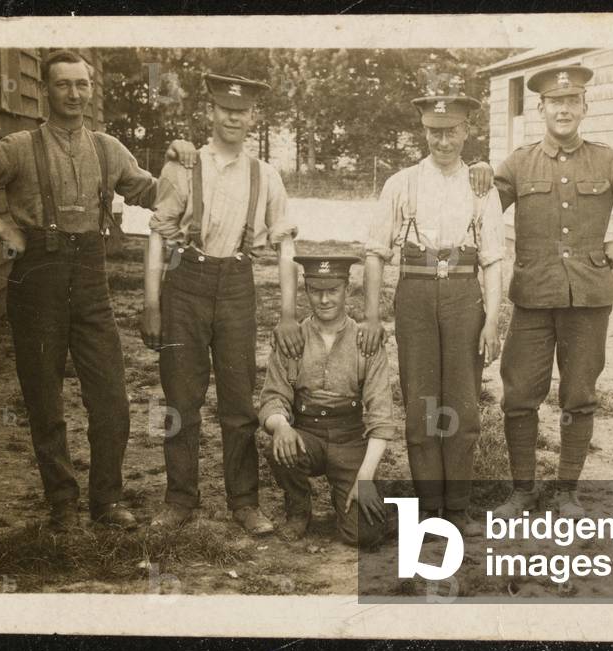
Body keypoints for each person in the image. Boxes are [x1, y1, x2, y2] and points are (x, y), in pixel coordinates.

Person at [0, 49, 198, 532]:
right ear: (45, 90)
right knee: (44, 397)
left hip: (91, 277)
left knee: (111, 399)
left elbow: (159, 195)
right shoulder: (18, 147)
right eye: (63, 85)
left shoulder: (108, 149)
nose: (74, 94)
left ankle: (107, 500)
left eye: (82, 85)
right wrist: (5, 231)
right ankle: (61, 501)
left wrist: (178, 158)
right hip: (37, 277)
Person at [484, 65, 613, 518]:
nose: (564, 109)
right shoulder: (518, 162)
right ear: (541, 109)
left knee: (579, 395)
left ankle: (567, 492)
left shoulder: (606, 160)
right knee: (518, 396)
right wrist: (474, 172)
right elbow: (481, 208)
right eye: (556, 102)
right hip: (531, 298)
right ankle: (522, 492)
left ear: (585, 108)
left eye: (572, 102)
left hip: (590, 299)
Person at [143, 73, 300, 535]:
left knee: (237, 400)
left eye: (243, 110)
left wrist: (289, 314)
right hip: (185, 284)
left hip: (236, 284)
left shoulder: (265, 174)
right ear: (210, 111)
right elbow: (157, 232)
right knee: (181, 398)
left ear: (254, 117)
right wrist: (151, 304)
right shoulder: (183, 167)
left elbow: (285, 243)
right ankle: (179, 498)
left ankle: (244, 501)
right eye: (225, 108)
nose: (234, 116)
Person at [361, 95, 504, 537]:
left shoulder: (482, 186)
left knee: (461, 397)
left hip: (464, 295)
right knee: (422, 397)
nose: (443, 140)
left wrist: (493, 319)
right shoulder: (400, 183)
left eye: (452, 130)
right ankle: (429, 503)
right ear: (424, 132)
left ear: (466, 132)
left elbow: (495, 259)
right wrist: (371, 316)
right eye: (435, 131)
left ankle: (457, 503)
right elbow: (375, 252)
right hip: (416, 293)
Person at [259, 255, 396, 547]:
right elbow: (272, 398)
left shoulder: (366, 340)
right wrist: (281, 426)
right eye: (315, 290)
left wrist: (365, 476)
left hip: (350, 440)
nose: (323, 300)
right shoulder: (291, 338)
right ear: (305, 290)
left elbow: (381, 416)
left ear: (347, 288)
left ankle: (356, 499)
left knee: (365, 535)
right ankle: (298, 509)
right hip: (307, 434)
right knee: (278, 446)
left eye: (332, 290)